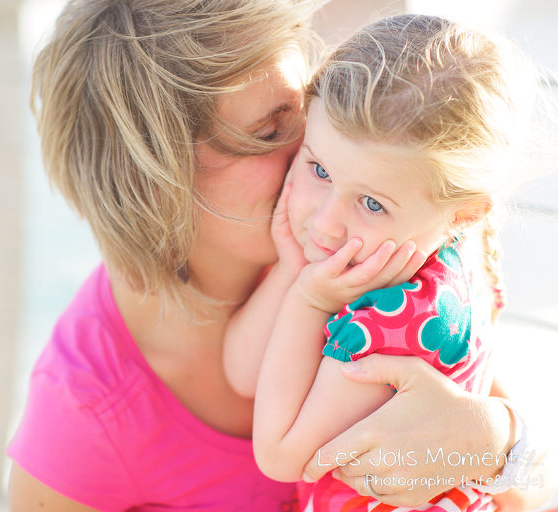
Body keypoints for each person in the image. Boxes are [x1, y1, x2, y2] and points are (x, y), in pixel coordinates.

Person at [6, 1, 553, 511]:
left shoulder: (364, 249)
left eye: (305, 108)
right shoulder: (83, 417)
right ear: (155, 184)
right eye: (270, 131)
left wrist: (498, 443)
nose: (322, 147)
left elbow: (536, 489)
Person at [223, 13, 549, 512]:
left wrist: (308, 300)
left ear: (464, 211)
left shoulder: (392, 322)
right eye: (319, 169)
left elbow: (281, 454)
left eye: (371, 203)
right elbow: (245, 374)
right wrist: (294, 272)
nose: (327, 223)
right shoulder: (444, 241)